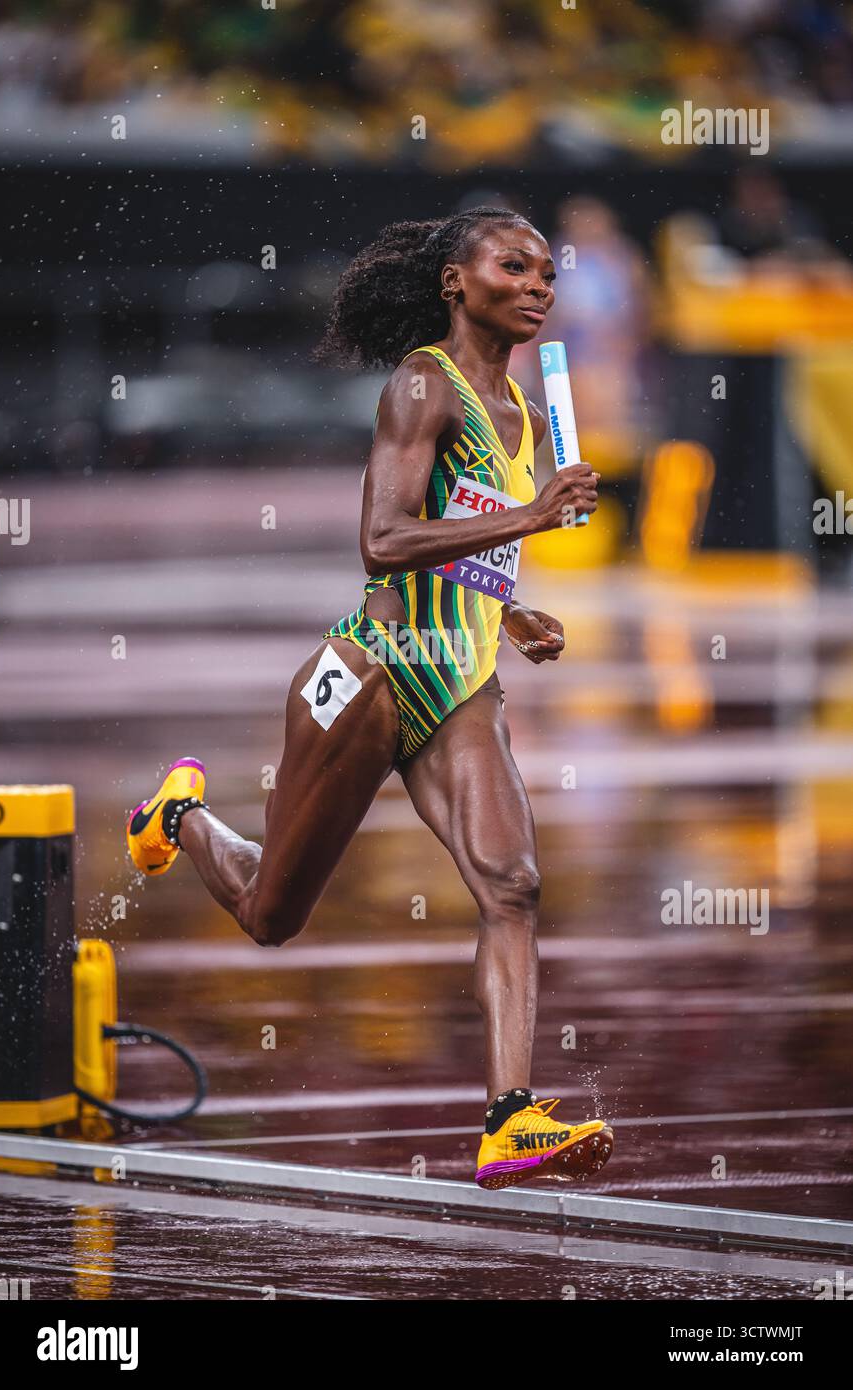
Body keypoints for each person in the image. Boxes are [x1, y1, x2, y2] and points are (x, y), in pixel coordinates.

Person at [126, 206, 613, 1190]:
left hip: (461, 681)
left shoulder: (519, 417)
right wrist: (530, 511)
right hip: (373, 669)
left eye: (545, 274)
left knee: (510, 886)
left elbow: (469, 546)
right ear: (453, 281)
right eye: (511, 267)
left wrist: (515, 615)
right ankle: (179, 817)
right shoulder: (420, 385)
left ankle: (508, 1117)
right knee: (271, 917)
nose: (537, 286)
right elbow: (384, 543)